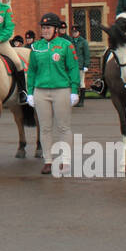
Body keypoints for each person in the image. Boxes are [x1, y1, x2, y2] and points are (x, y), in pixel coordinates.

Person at [25, 13, 80, 176]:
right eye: (43, 28)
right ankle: (48, 160)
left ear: (56, 29)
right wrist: (30, 92)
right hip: (41, 91)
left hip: (61, 89)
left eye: (48, 27)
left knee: (63, 127)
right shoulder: (36, 47)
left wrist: (74, 89)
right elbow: (32, 71)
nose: (45, 30)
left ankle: (66, 161)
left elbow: (73, 67)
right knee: (45, 128)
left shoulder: (65, 45)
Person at [68, 21, 91, 106]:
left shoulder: (83, 41)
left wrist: (86, 65)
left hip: (80, 65)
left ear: (79, 32)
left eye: (76, 32)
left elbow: (87, 54)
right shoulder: (70, 41)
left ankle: (81, 101)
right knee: (73, 82)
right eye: (73, 32)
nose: (74, 33)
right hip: (71, 66)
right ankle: (74, 100)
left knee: (81, 82)